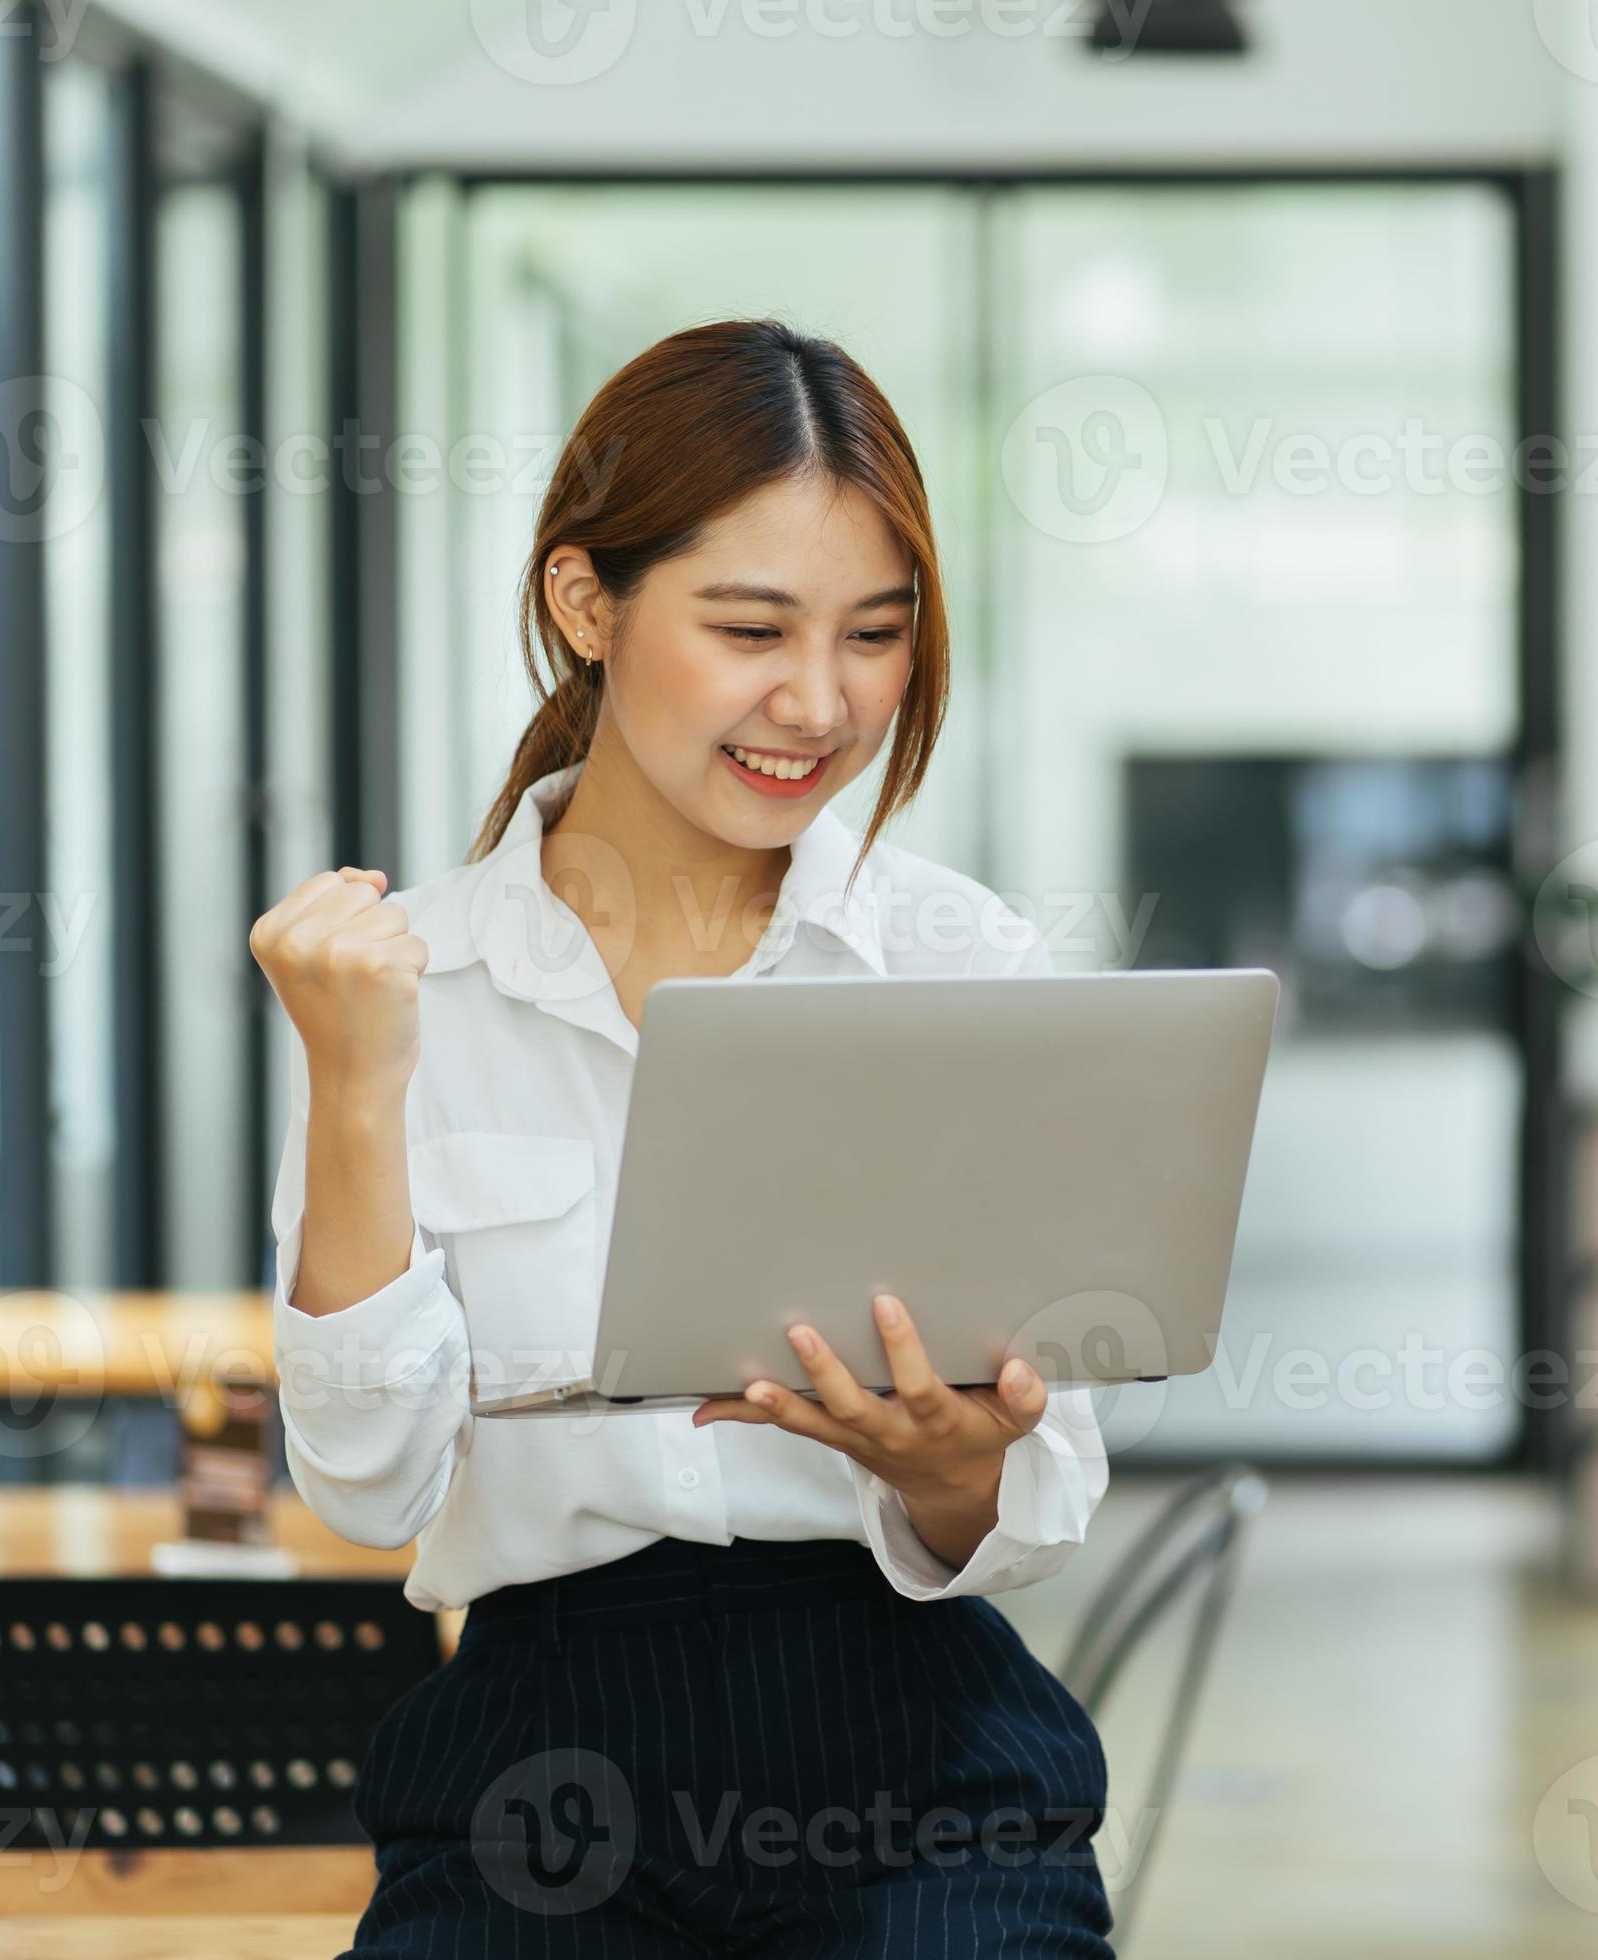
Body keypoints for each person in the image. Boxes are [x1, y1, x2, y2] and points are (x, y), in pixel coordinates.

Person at [249, 319, 1114, 1956]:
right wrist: (358, 1086)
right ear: (587, 604)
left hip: (915, 1748)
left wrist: (955, 1473)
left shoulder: (963, 965)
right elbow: (366, 1491)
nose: (820, 700)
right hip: (537, 1758)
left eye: (875, 634)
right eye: (749, 629)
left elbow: (1045, 1490)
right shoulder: (401, 983)